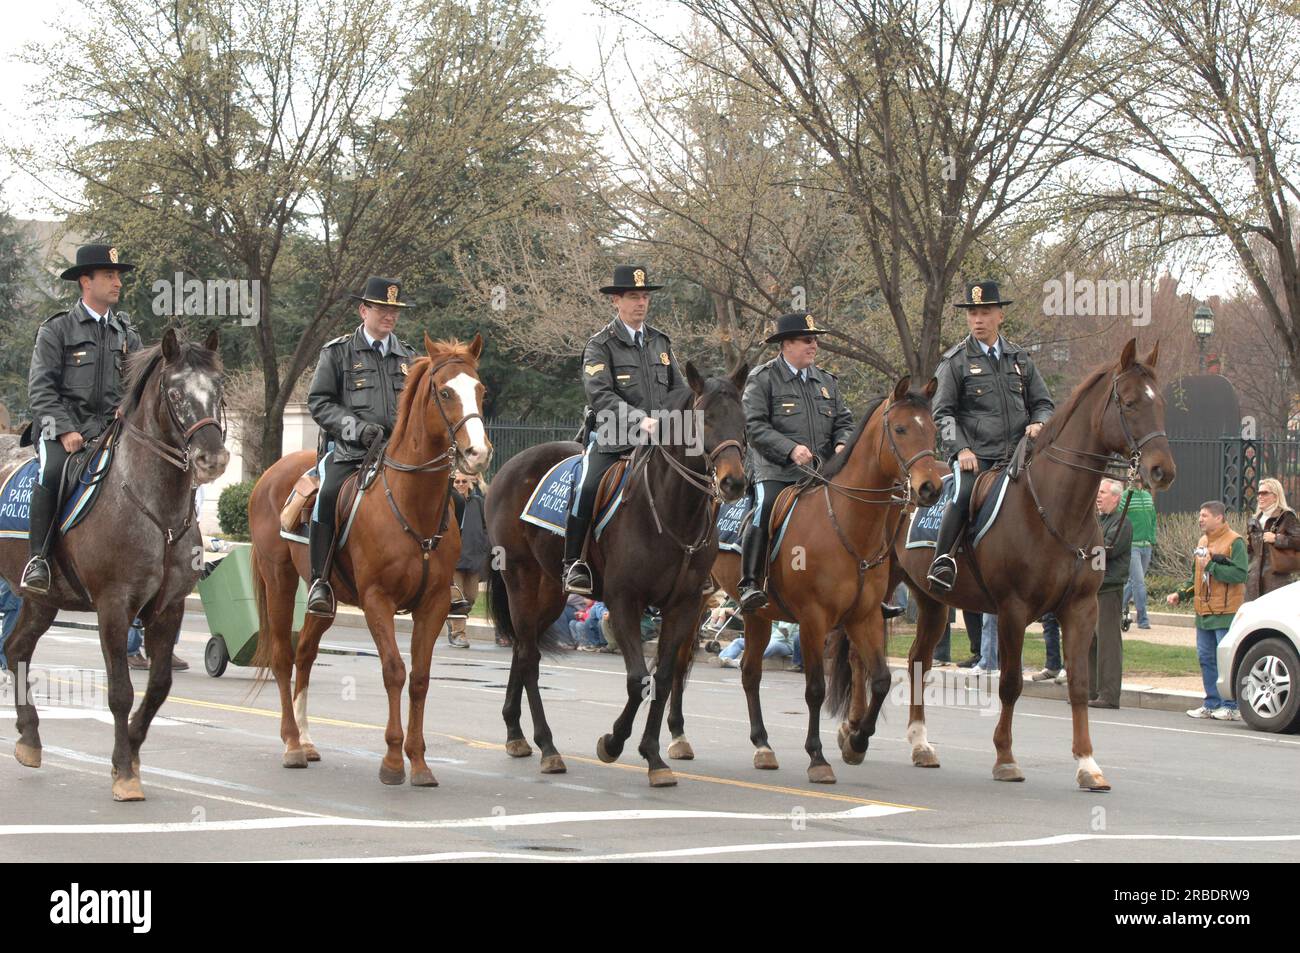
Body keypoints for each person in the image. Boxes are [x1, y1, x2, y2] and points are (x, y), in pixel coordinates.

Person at [737, 311, 901, 621]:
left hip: (824, 472)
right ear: (786, 344)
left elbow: (844, 421)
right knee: (764, 507)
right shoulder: (763, 378)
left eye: (815, 340)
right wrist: (790, 449)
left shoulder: (826, 381)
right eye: (806, 340)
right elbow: (754, 426)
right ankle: (750, 583)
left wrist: (843, 442)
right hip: (776, 471)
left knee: (867, 512)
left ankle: (870, 592)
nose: (814, 346)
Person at [928, 280, 1055, 679]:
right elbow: (942, 414)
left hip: (1019, 456)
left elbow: (1045, 403)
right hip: (977, 459)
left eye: (985, 313)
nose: (978, 319)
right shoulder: (955, 362)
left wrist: (1039, 423)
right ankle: (943, 560)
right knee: (963, 496)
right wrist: (960, 450)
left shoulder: (1020, 360)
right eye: (972, 313)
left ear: (1001, 315)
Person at [22, 244, 143, 593]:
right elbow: (41, 389)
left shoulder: (127, 335)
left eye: (118, 276)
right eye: (109, 276)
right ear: (85, 282)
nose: (117, 283)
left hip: (111, 433)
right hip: (62, 432)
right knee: (52, 471)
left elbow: (137, 389)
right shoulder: (57, 330)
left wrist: (128, 406)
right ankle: (38, 560)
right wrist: (65, 430)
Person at [563, 265, 690, 595]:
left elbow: (681, 390)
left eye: (645, 296)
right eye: (633, 296)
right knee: (587, 487)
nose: (641, 303)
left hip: (662, 441)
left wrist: (677, 423)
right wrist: (640, 420)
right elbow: (600, 395)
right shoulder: (600, 345)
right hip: (614, 439)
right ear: (615, 301)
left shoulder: (661, 342)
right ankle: (574, 563)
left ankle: (693, 565)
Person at [305, 276, 418, 618]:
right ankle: (320, 581)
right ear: (363, 310)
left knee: (450, 499)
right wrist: (358, 430)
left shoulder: (410, 357)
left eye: (394, 310)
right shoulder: (337, 352)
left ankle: (446, 579)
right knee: (327, 497)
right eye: (382, 308)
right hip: (352, 453)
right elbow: (320, 402)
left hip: (399, 459)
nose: (390, 316)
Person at [1167, 501, 1249, 721]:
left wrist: (1211, 566)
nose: (1200, 519)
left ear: (1219, 518)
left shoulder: (1235, 541)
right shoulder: (1202, 540)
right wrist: (1181, 593)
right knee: (1206, 658)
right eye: (1199, 515)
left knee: (1225, 660)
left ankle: (1231, 706)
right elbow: (1196, 575)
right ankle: (1211, 703)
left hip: (1225, 610)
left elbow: (1240, 575)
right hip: (1203, 610)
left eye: (1204, 515)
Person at [1088, 479, 1133, 708]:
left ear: (1116, 497)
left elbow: (1106, 550)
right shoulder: (1100, 520)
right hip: (1094, 589)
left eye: (1102, 492)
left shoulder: (1122, 523)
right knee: (1090, 641)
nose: (1098, 497)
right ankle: (1090, 690)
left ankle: (1108, 694)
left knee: (1108, 643)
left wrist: (1083, 552)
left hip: (1109, 588)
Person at [447, 470, 489, 648]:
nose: (461, 485)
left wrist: (484, 545)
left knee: (470, 598)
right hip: (454, 561)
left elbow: (488, 524)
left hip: (474, 560)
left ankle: (451, 620)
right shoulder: (447, 504)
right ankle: (459, 634)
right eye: (457, 482)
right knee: (458, 599)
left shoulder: (478, 502)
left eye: (464, 481)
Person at [1245, 477, 1300, 601]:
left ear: (1276, 496)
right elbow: (1250, 551)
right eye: (1258, 493)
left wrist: (1277, 538)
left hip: (1277, 580)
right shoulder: (1254, 520)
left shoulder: (1286, 516)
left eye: (1264, 493)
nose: (1260, 497)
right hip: (1254, 582)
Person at [1121, 478, 1157, 629]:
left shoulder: (1148, 497)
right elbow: (1119, 518)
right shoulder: (1125, 496)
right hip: (1132, 546)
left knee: (1133, 582)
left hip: (1146, 545)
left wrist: (1152, 538)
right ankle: (1143, 620)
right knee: (1139, 582)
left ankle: (1116, 607)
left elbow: (1153, 518)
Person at [719, 620, 802, 670]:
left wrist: (763, 640)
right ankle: (722, 659)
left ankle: (741, 662)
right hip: (769, 640)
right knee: (738, 641)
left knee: (772, 645)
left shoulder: (788, 613)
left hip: (785, 644)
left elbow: (783, 634)